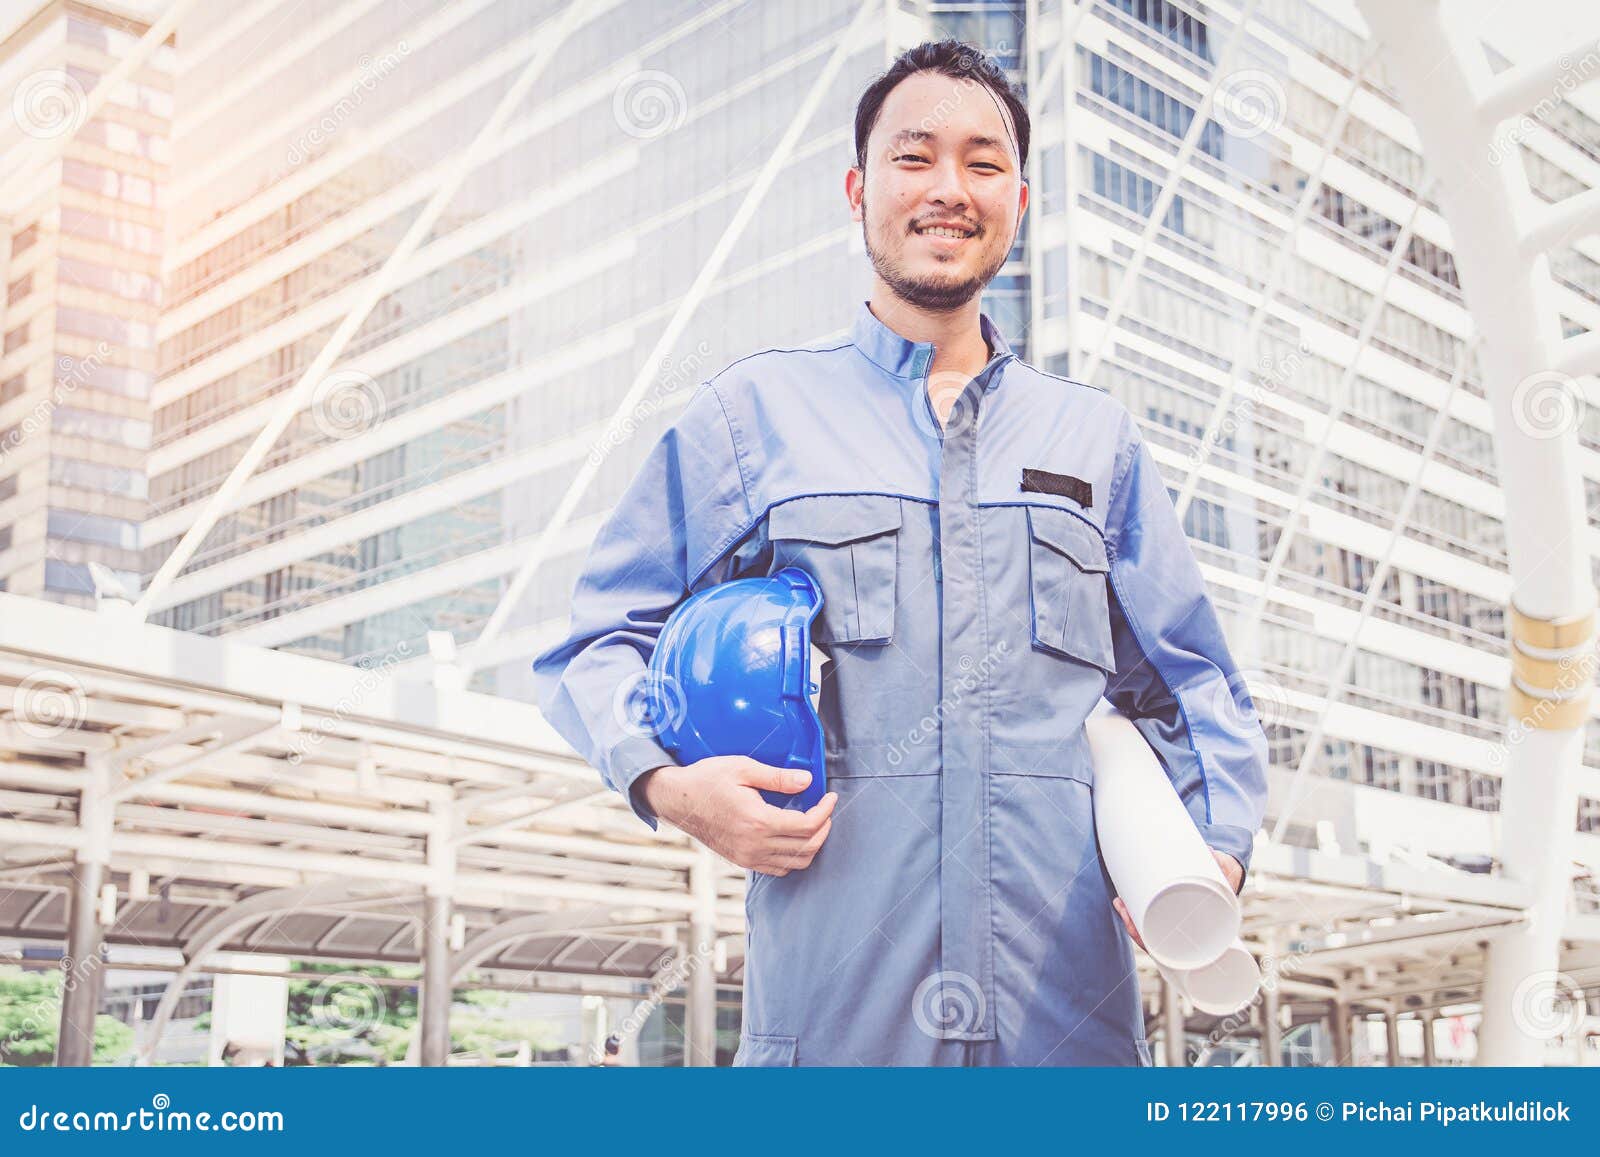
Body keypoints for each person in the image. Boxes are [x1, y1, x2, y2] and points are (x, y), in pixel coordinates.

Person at [533, 39, 1268, 1066]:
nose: (947, 190)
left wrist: (1215, 850)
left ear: (1018, 196)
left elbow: (1193, 692)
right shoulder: (751, 420)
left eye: (980, 162)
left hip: (1063, 1038)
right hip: (837, 1039)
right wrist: (669, 785)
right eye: (913, 157)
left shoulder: (1094, 442)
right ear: (857, 188)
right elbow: (599, 641)